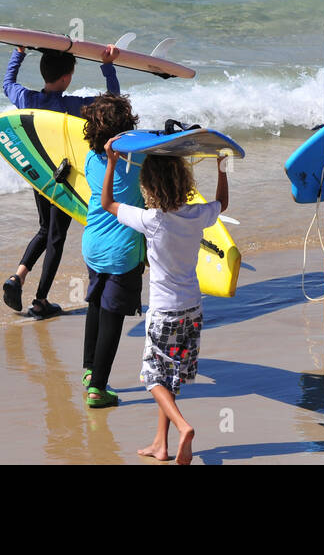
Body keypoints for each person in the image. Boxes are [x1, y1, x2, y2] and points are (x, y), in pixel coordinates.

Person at [100, 141, 230, 463]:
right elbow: (222, 204)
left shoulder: (151, 220)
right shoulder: (196, 214)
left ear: (149, 184)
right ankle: (161, 444)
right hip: (193, 311)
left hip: (163, 313)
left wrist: (112, 162)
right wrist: (221, 168)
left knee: (151, 375)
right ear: (182, 180)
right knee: (170, 376)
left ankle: (183, 426)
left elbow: (107, 204)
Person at [1, 44, 120, 319]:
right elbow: (114, 102)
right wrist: (107, 65)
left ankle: (17, 277)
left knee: (45, 229)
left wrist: (18, 53)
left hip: (40, 173)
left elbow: (7, 83)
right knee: (56, 236)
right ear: (67, 78)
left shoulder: (25, 98)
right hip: (66, 177)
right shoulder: (72, 105)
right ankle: (40, 301)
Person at [79, 93, 144, 409]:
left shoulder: (92, 161)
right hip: (122, 251)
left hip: (92, 244)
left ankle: (89, 369)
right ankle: (98, 389)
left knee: (95, 301)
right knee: (112, 316)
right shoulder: (137, 163)